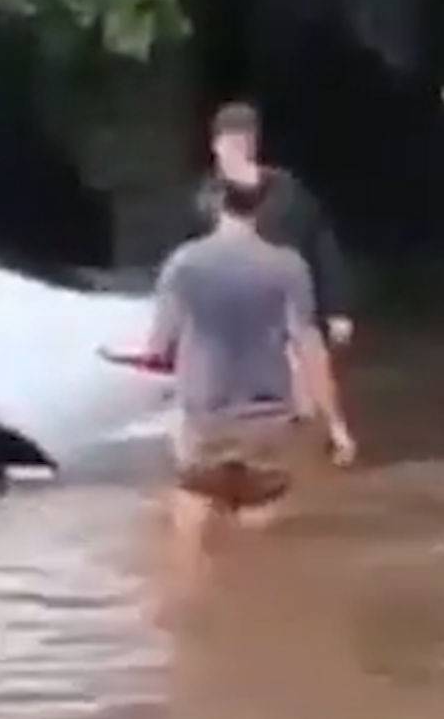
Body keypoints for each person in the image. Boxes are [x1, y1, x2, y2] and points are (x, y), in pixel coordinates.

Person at [141, 177, 358, 585]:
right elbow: (309, 348)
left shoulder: (184, 264)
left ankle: (195, 626)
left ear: (217, 203)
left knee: (184, 556)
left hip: (205, 421)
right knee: (260, 563)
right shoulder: (288, 265)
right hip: (268, 424)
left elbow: (158, 347)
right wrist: (337, 428)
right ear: (262, 207)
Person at [197, 101, 356, 348]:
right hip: (229, 325)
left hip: (286, 318)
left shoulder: (287, 191)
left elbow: (321, 244)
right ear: (216, 145)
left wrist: (336, 308)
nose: (241, 150)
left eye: (246, 141)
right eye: (233, 142)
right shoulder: (205, 200)